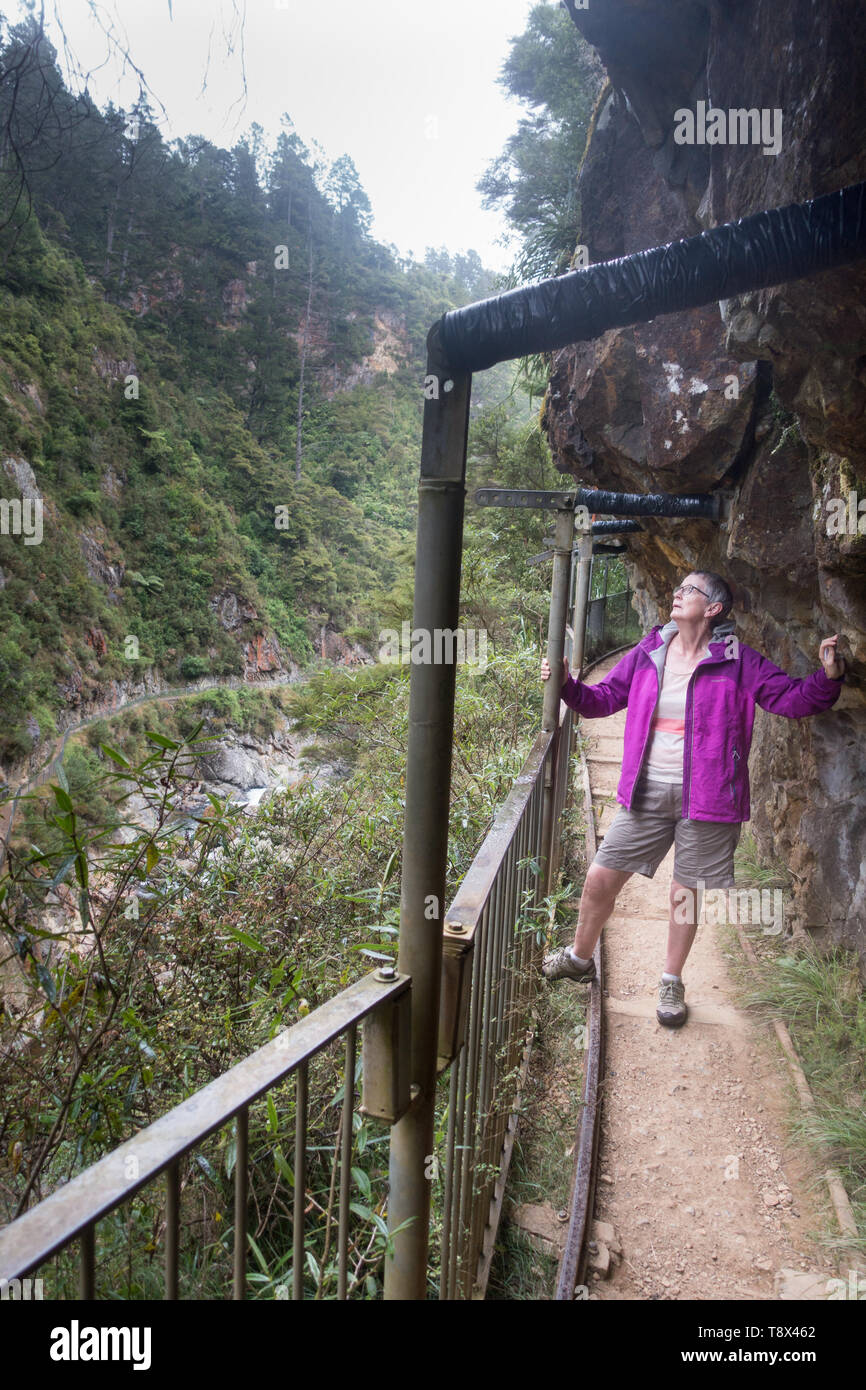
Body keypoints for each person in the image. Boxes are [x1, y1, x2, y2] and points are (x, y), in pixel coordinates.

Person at [540, 571, 846, 1027]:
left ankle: (671, 980)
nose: (677, 593)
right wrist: (566, 684)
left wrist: (827, 677)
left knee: (685, 893)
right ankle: (580, 959)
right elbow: (603, 699)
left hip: (709, 797)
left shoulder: (738, 661)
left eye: (689, 590)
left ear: (714, 608)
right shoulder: (649, 652)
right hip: (646, 790)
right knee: (600, 879)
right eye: (677, 587)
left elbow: (790, 699)